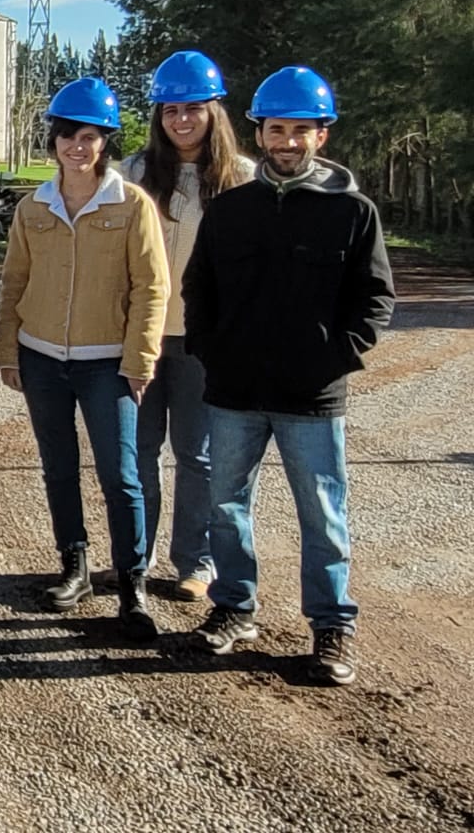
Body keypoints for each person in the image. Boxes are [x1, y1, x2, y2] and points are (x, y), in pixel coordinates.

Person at [184, 66, 394, 686]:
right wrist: (211, 350)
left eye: (303, 130)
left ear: (322, 136)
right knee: (226, 505)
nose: (288, 141)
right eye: (278, 129)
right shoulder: (231, 210)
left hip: (313, 394)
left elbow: (375, 299)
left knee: (323, 515)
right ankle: (234, 608)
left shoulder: (352, 212)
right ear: (261, 132)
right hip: (234, 391)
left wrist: (335, 356)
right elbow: (201, 288)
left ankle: (331, 626)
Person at [0, 76, 169, 640]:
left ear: (105, 144)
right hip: (42, 358)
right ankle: (75, 566)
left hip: (106, 364)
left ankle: (133, 581)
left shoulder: (131, 204)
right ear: (54, 142)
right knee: (58, 467)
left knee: (121, 476)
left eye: (90, 137)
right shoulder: (33, 207)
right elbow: (15, 280)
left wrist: (140, 359)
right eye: (68, 135)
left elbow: (151, 287)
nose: (78, 146)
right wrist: (7, 350)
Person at [118, 50, 254, 601]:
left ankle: (194, 562)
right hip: (143, 336)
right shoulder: (133, 173)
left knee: (197, 457)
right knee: (139, 452)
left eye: (192, 109)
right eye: (171, 110)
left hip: (205, 342)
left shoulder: (242, 178)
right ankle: (137, 557)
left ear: (213, 112)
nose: (181, 120)